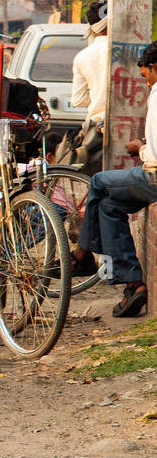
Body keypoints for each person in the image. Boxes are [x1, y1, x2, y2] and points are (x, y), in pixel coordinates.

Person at [70, 41, 157, 318]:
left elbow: (154, 155)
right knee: (109, 207)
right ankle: (133, 284)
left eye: (145, 75)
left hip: (153, 177)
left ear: (153, 67)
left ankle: (82, 254)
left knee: (98, 181)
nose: (145, 81)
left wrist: (139, 148)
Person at [58, 0, 109, 173]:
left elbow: (78, 100)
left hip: (95, 131)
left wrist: (98, 93)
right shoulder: (127, 50)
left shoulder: (82, 56)